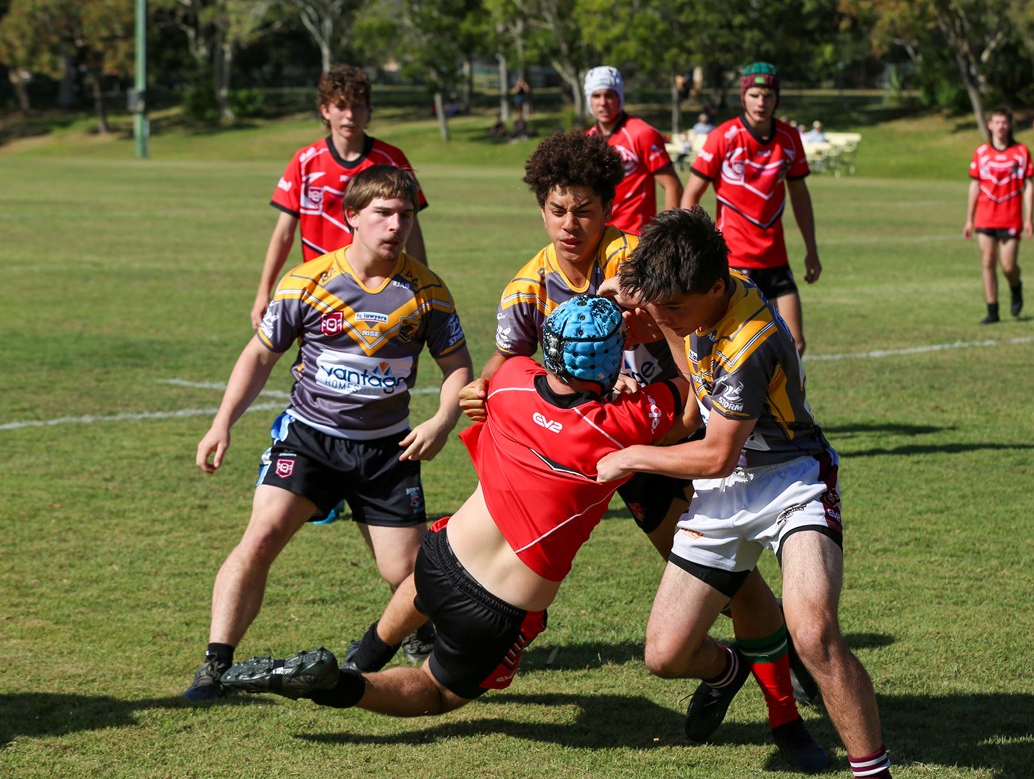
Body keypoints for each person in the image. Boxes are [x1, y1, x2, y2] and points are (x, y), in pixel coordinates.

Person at [458, 131, 827, 770]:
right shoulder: (528, 284)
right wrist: (471, 392)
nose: (571, 225)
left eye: (585, 210)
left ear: (610, 209)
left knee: (732, 581)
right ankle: (392, 651)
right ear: (541, 210)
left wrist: (685, 408)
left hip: (655, 440)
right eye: (557, 210)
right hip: (570, 445)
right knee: (487, 542)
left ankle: (786, 717)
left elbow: (686, 336)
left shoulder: (637, 265)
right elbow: (510, 358)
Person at [218, 296, 690, 725]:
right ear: (610, 361)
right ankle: (336, 683)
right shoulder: (623, 423)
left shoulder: (510, 382)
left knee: (423, 590)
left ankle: (365, 654)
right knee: (438, 691)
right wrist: (667, 328)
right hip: (499, 606)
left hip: (441, 558)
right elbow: (689, 391)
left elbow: (512, 369)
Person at [597, 207, 892, 779]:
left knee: (814, 633)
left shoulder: (749, 339)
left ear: (714, 288)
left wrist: (633, 456)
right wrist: (642, 300)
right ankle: (729, 670)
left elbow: (715, 455)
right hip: (724, 495)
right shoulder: (704, 283)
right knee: (664, 655)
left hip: (790, 481)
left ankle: (872, 772)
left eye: (674, 308)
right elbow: (661, 305)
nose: (661, 316)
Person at [183, 166, 474, 701]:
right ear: (353, 218)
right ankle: (213, 665)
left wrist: (442, 419)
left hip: (388, 450)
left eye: (405, 215)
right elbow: (259, 356)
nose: (396, 225)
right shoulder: (307, 281)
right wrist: (221, 423)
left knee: (406, 571)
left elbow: (458, 365)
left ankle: (419, 634)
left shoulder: (427, 291)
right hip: (310, 440)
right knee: (263, 534)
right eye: (383, 213)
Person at [251, 65, 428, 332]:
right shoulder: (305, 161)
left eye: (357, 106)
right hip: (321, 288)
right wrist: (264, 291)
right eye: (341, 106)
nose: (349, 116)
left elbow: (411, 227)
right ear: (325, 110)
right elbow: (283, 234)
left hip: (378, 286)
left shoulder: (391, 160)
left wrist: (422, 286)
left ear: (368, 111)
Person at [682, 62, 820, 357]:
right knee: (732, 347)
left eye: (768, 96)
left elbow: (800, 194)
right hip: (734, 261)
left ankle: (774, 404)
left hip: (776, 259)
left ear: (776, 98)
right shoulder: (724, 136)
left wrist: (811, 248)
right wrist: (691, 246)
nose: (761, 102)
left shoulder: (789, 138)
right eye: (755, 95)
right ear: (743, 97)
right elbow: (692, 192)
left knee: (794, 345)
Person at [584, 66, 682, 236]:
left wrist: (667, 234)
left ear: (619, 96)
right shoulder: (588, 138)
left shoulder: (642, 133)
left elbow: (672, 186)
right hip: (597, 237)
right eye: (596, 96)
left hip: (635, 237)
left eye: (609, 95)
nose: (602, 102)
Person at [963, 107, 1034, 324]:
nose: (1001, 126)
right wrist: (969, 218)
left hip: (1010, 216)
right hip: (985, 215)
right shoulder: (982, 153)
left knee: (1008, 266)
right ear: (990, 125)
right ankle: (992, 310)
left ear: (1010, 125)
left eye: (1004, 122)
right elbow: (974, 185)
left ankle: (1016, 286)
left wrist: (1029, 218)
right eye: (997, 122)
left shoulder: (1021, 152)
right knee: (987, 261)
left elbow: (1029, 186)